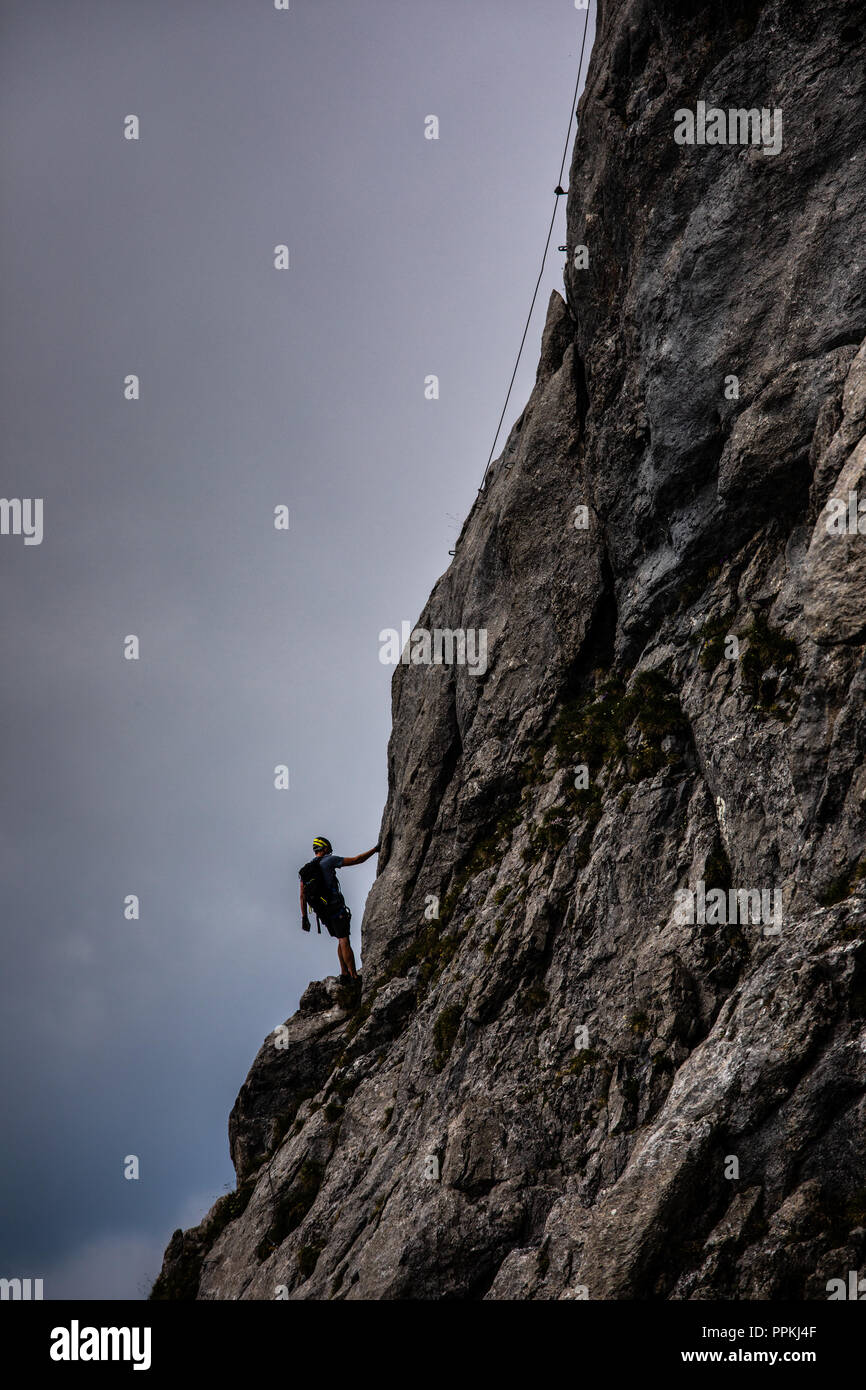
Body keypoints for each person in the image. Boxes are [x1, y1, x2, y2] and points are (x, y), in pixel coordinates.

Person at [300, 836, 379, 980]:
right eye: (328, 848)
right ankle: (353, 976)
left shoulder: (306, 870)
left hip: (322, 912)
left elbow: (302, 896)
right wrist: (375, 850)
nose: (329, 850)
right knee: (344, 939)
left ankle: (344, 972)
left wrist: (304, 917)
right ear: (324, 848)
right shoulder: (329, 861)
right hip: (335, 907)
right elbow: (356, 860)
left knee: (339, 938)